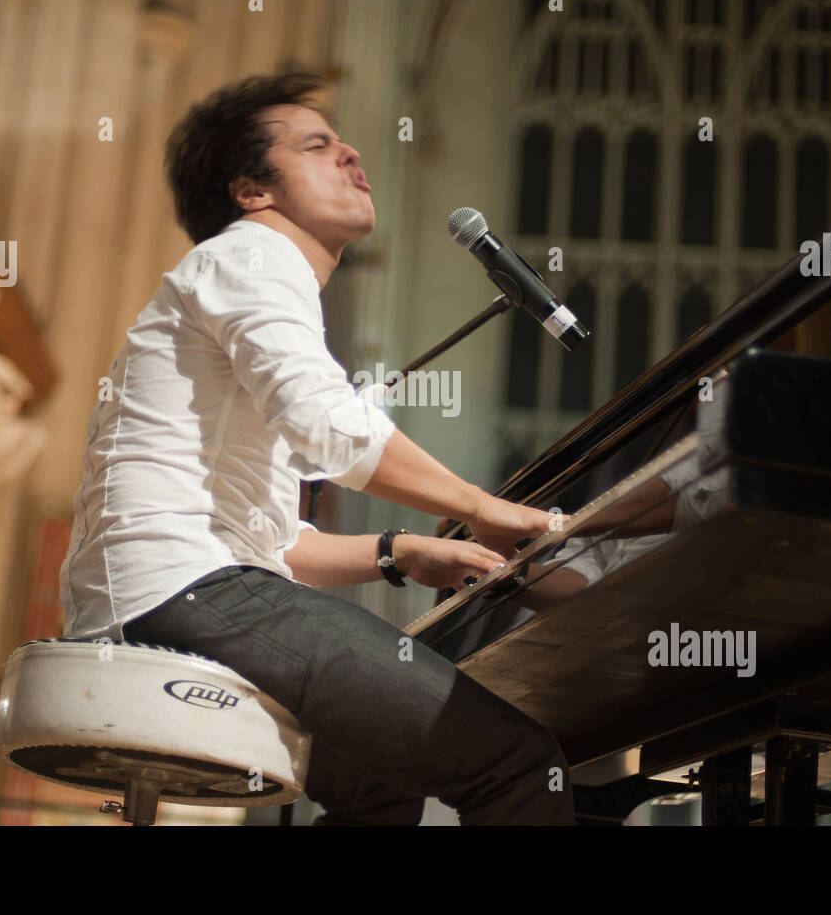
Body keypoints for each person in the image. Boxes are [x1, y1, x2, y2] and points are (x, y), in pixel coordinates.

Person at [56, 71, 576, 825]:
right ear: (251, 191)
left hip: (167, 595)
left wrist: (399, 552)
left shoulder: (248, 275)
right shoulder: (253, 257)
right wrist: (479, 506)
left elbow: (272, 543)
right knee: (519, 764)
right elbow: (328, 428)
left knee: (379, 794)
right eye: (316, 145)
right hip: (188, 592)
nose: (351, 154)